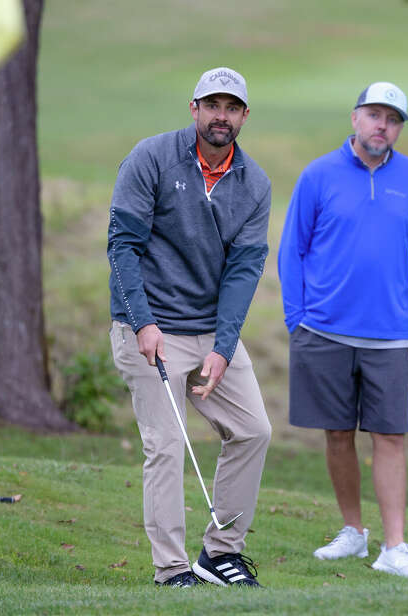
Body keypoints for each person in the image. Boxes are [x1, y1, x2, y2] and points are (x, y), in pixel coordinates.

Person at [278, 82, 408, 578]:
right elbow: (290, 251)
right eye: (375, 114)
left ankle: (395, 547)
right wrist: (296, 320)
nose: (383, 125)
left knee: (390, 436)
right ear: (355, 118)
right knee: (337, 434)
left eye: (393, 118)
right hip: (324, 330)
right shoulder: (319, 175)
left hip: (389, 334)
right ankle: (354, 533)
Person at [108, 67, 272, 587]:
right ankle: (172, 569)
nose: (221, 116)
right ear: (194, 108)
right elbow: (122, 246)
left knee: (253, 431)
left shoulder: (255, 184)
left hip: (207, 332)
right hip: (149, 329)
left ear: (244, 116)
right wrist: (143, 323)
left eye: (231, 107)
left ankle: (221, 554)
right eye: (212, 104)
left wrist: (224, 348)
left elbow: (244, 272)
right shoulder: (152, 158)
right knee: (166, 445)